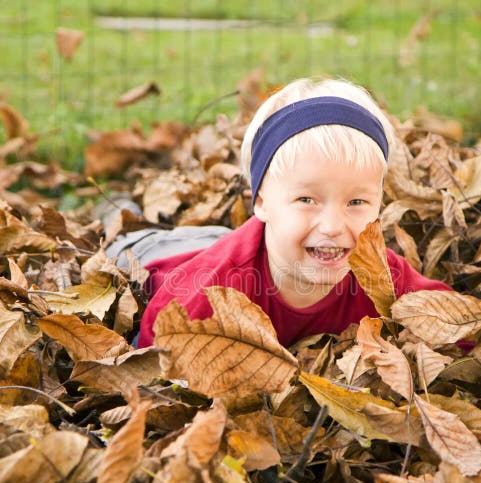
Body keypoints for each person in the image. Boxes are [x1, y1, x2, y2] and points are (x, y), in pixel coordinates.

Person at [118, 77, 451, 348]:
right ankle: (119, 207)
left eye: (356, 202)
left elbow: (454, 321)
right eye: (307, 199)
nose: (333, 226)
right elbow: (155, 362)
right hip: (155, 252)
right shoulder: (209, 296)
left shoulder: (380, 277)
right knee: (125, 230)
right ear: (260, 201)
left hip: (241, 243)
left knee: (217, 241)